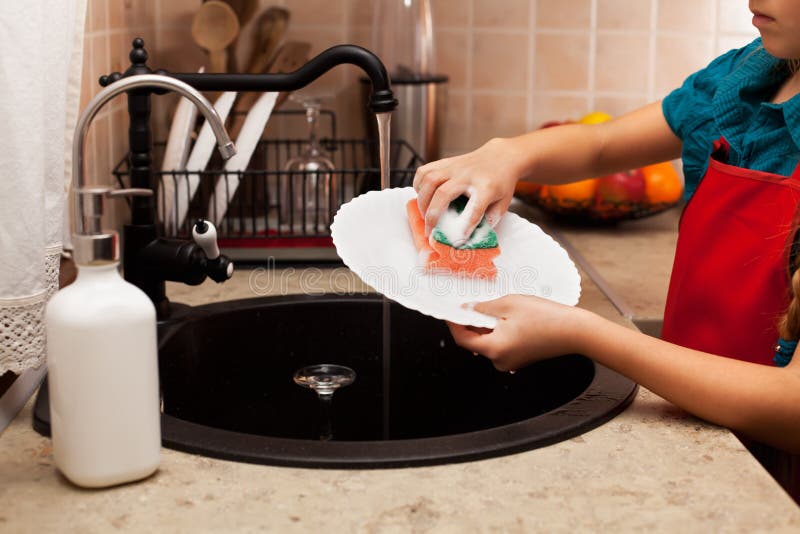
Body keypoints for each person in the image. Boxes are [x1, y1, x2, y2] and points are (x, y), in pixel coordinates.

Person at [413, 0, 800, 490]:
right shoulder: (748, 76)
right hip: (693, 430)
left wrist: (581, 333)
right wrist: (507, 154)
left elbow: (792, 406)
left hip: (776, 484)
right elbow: (603, 145)